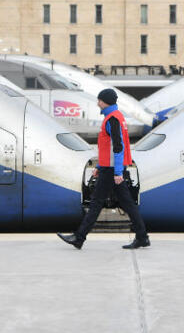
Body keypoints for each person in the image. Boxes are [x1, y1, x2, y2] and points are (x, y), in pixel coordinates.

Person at [58, 88, 150, 250]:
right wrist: (100, 167)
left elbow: (118, 147)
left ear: (105, 101)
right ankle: (142, 237)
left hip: (112, 170)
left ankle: (79, 238)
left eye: (99, 100)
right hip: (109, 168)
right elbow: (108, 148)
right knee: (127, 203)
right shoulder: (116, 117)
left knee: (97, 203)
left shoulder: (112, 119)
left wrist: (117, 172)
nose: (97, 103)